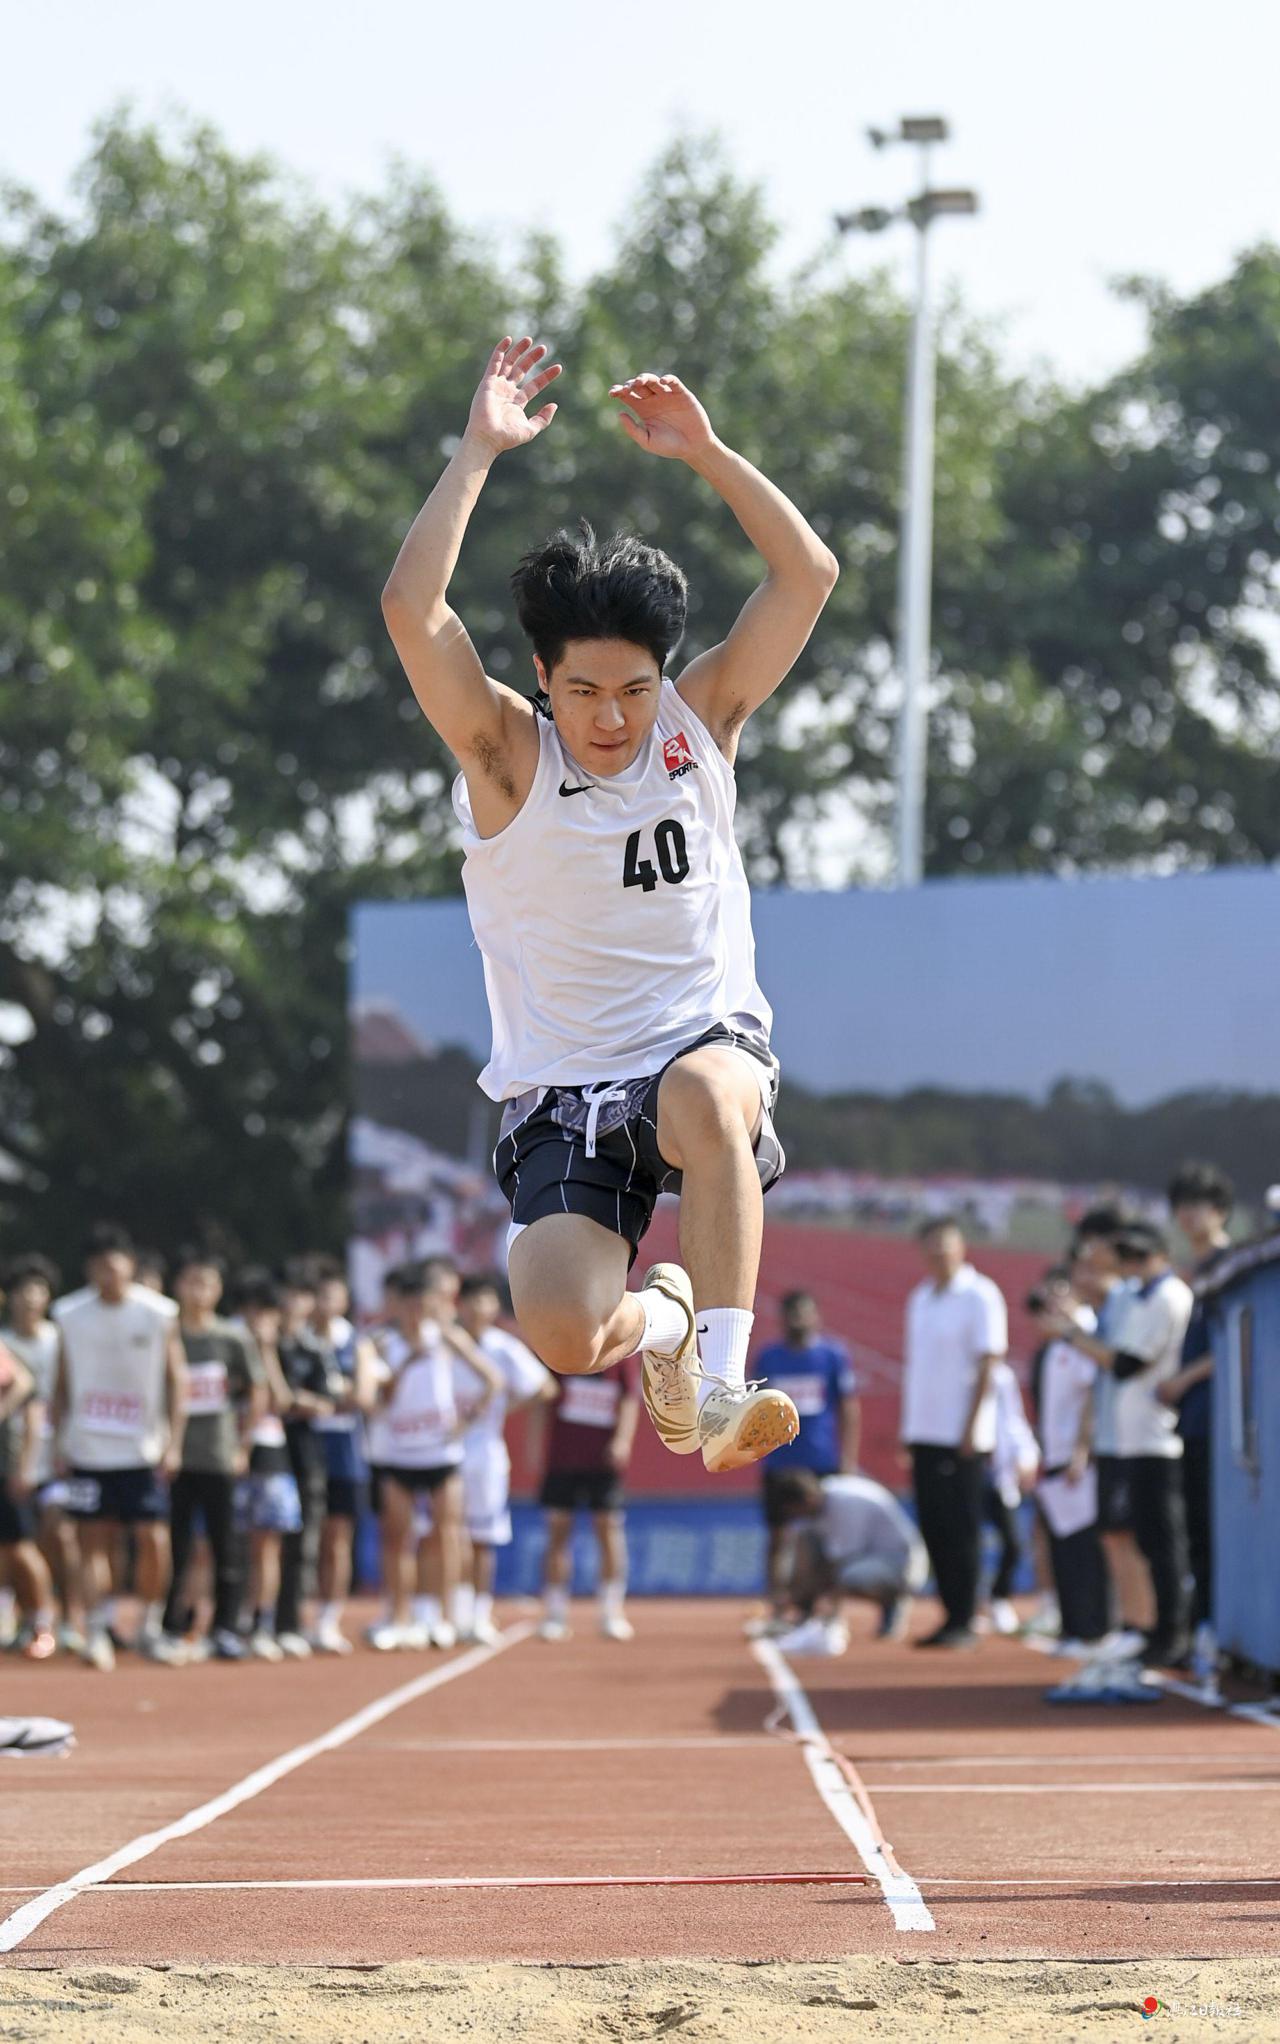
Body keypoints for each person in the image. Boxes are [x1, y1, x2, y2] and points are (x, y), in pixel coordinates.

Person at [380, 338, 840, 1480]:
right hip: (563, 1090)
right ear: (542, 677)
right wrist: (479, 447)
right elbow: (408, 606)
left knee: (702, 1091)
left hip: (700, 1042)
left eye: (632, 689)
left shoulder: (702, 721)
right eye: (582, 690)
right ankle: (672, 1326)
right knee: (564, 1332)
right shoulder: (502, 757)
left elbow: (807, 577)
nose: (610, 717)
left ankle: (726, 1384)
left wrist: (711, 455)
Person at [1044, 1221, 1193, 1668]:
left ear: (1162, 1255)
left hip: (1156, 1437)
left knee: (1163, 1545)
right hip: (1127, 1437)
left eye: (1140, 1257)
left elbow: (1125, 1363)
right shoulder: (1136, 1295)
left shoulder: (1167, 1296)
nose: (1133, 1265)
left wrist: (1072, 1335)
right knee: (1139, 1538)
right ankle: (1148, 1630)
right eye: (1128, 1257)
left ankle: (1170, 1632)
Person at [50, 1224, 187, 1669]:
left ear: (130, 1264)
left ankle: (147, 1627)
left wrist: (174, 1441)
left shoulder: (159, 1313)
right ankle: (96, 1630)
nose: (109, 1272)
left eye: (116, 1262)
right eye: (99, 1264)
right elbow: (61, 1383)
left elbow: (176, 1378)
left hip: (143, 1448)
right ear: (89, 1269)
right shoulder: (69, 1314)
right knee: (92, 1541)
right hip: (88, 1447)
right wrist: (58, 1441)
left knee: (153, 1537)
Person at [366, 1261, 505, 1651]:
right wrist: (399, 1367)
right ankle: (399, 1617)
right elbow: (378, 1398)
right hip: (399, 1455)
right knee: (398, 1538)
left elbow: (492, 1379)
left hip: (442, 1455)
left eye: (421, 1302)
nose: (414, 1311)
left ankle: (442, 1617)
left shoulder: (445, 1337)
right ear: (397, 1305)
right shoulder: (383, 1344)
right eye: (407, 1303)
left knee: (446, 1536)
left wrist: (464, 1423)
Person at [899, 1217, 1009, 1648]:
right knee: (934, 1527)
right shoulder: (921, 1297)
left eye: (946, 1246)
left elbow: (989, 1364)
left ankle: (966, 1615)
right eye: (931, 1248)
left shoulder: (981, 1295)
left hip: (961, 1435)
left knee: (963, 1528)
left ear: (962, 1248)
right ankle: (949, 1613)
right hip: (924, 1432)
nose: (939, 1255)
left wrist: (971, 1427)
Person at [160, 1250, 266, 1662]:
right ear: (178, 1287)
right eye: (191, 1281)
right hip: (175, 1459)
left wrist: (243, 1445)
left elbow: (258, 1389)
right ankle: (172, 1624)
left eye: (207, 1282)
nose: (199, 1291)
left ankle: (225, 1627)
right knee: (177, 1546)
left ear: (219, 1290)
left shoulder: (231, 1337)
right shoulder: (168, 1335)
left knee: (226, 1546)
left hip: (220, 1455)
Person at [449, 1273, 556, 1645]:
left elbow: (545, 1386)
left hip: (486, 1454)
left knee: (483, 1536)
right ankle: (454, 1611)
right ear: (458, 1306)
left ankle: (478, 1612)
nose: (479, 1308)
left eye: (486, 1301)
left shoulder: (502, 1347)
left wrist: (504, 1408)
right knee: (448, 1536)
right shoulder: (446, 1343)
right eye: (472, 1300)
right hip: (445, 1454)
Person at [749, 1291, 860, 1626]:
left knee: (825, 1537)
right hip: (779, 1461)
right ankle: (777, 1606)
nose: (798, 1319)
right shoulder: (768, 1359)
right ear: (781, 1318)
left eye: (804, 1312)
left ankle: (822, 1606)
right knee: (778, 1536)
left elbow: (848, 1409)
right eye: (791, 1313)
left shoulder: (832, 1356)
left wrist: (848, 1458)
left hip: (821, 1459)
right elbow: (752, 1407)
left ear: (816, 1316)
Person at [1068, 1205, 1148, 1647]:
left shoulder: (1130, 1297)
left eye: (1091, 1245)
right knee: (1114, 1535)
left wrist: (1071, 1334)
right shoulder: (1114, 1299)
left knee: (1132, 1536)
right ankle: (1128, 1629)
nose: (1085, 1255)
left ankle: (1141, 1629)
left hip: (1140, 1436)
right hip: (1112, 1434)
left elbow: (1120, 1363)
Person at [1164, 1161, 1232, 1673]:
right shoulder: (1196, 1272)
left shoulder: (1232, 1269)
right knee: (1195, 1530)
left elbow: (1231, 1344)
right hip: (1192, 1421)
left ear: (1221, 1212)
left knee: (1213, 1530)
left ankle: (1212, 1628)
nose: (1188, 1215)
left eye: (1198, 1205)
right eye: (1182, 1206)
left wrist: (1184, 1380)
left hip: (1222, 1423)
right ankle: (1200, 1624)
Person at [529, 1358, 641, 1642]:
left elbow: (630, 1398)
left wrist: (623, 1440)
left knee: (608, 1528)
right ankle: (554, 1613)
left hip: (603, 1461)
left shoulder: (619, 1352)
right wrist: (536, 1446)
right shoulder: (561, 1346)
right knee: (558, 1531)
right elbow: (543, 1397)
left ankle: (611, 1611)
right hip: (562, 1459)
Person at [1027, 1267, 1109, 1650]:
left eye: (1061, 1291)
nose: (1053, 1300)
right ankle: (1073, 1626)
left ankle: (1092, 1628)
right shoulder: (1056, 1342)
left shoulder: (1084, 1335)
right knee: (1063, 1546)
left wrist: (1081, 1450)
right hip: (1056, 1455)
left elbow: (1093, 1395)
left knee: (1083, 1548)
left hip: (1081, 1460)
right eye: (1048, 1294)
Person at [763, 1466, 930, 1654]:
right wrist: (792, 1594)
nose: (795, 1517)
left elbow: (839, 1563)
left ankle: (890, 1602)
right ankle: (807, 1617)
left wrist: (823, 1614)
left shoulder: (845, 1503)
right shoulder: (819, 1501)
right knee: (810, 1548)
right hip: (873, 1558)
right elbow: (803, 1556)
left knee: (847, 1576)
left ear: (807, 1500)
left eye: (795, 1511)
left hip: (903, 1565)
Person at [0, 1254, 75, 1652]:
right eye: (21, 1290)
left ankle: (63, 1619)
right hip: (13, 1457)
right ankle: (20, 1617)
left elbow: (33, 1395)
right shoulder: (5, 1341)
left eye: (38, 1290)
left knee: (58, 1538)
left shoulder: (60, 1339)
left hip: (55, 1455)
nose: (30, 1298)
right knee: (14, 1544)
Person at [273, 1258, 344, 1658]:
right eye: (287, 1295)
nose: (293, 1303)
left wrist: (296, 1402)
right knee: (257, 1540)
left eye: (301, 1296)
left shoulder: (315, 1347)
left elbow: (330, 1401)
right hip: (264, 1450)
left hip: (305, 1453)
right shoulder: (260, 1342)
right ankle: (251, 1620)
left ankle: (289, 1623)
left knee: (304, 1541)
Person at [309, 1257, 380, 1655]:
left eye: (331, 1296)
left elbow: (364, 1397)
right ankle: (282, 1617)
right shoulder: (298, 1338)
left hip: (346, 1454)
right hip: (302, 1450)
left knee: (337, 1538)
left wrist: (327, 1397)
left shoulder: (356, 1342)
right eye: (317, 1296)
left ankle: (327, 1618)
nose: (324, 1304)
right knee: (301, 1539)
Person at [235, 1273, 305, 1662]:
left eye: (267, 1313)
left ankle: (261, 1623)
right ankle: (218, 1622)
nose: (259, 1320)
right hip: (224, 1453)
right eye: (252, 1311)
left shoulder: (283, 1348)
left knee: (267, 1545)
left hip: (271, 1451)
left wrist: (265, 1352)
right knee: (212, 1547)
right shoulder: (225, 1342)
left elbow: (281, 1400)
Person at [0, 1335, 56, 1658]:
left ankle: (42, 1624)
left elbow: (22, 1383)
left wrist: (24, 1467)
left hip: (4, 1466)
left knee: (20, 1547)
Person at [978, 1359, 1040, 1635]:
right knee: (964, 1543)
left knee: (1013, 1543)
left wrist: (1026, 1456)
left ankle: (999, 1598)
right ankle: (968, 1607)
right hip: (965, 1470)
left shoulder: (1002, 1376)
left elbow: (1012, 1418)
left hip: (998, 1475)